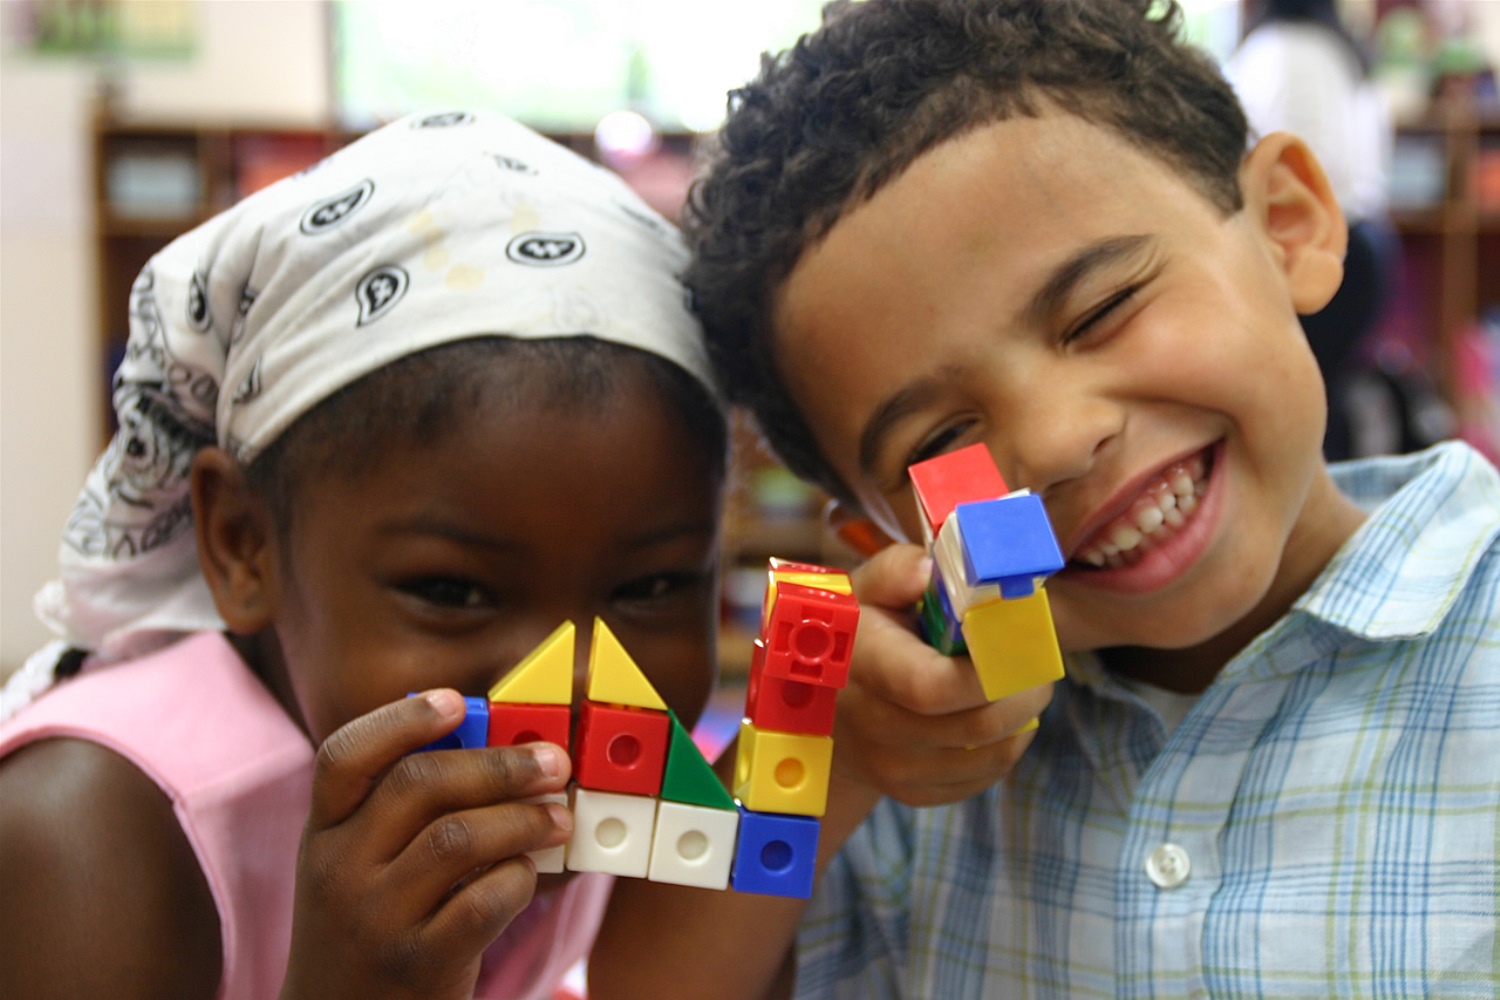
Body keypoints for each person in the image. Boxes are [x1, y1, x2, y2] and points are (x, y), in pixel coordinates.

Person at [589, 2, 1500, 998]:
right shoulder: (905, 757)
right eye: (938, 440)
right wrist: (831, 750)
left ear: (1288, 226)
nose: (1063, 442)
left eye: (1103, 308)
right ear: (885, 540)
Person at [0, 109, 727, 1000]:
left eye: (650, 586)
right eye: (452, 589)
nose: (575, 685)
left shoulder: (614, 782)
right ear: (242, 545)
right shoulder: (87, 832)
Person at [1225, 0, 1401, 461]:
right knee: (1325, 399)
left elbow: (1306, 166)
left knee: (1304, 415)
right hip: (1362, 240)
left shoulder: (1285, 49)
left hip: (1321, 245)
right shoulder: (1339, 48)